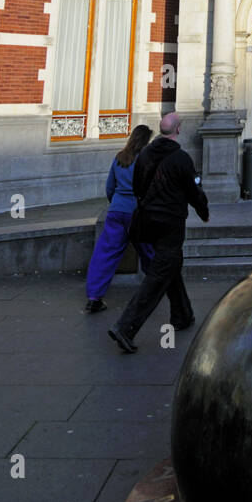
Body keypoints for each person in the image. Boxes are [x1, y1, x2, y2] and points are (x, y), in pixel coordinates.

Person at [108, 110, 209, 354]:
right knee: (160, 272)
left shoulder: (143, 155)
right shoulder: (181, 159)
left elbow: (137, 188)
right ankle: (126, 326)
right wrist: (203, 210)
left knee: (170, 263)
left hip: (148, 220)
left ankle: (182, 314)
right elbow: (192, 191)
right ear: (178, 130)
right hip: (170, 223)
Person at [84, 125, 154, 313]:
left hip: (116, 211)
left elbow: (109, 187)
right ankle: (155, 290)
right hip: (137, 213)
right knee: (150, 253)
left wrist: (116, 203)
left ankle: (94, 297)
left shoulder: (119, 158)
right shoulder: (147, 160)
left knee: (105, 255)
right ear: (146, 141)